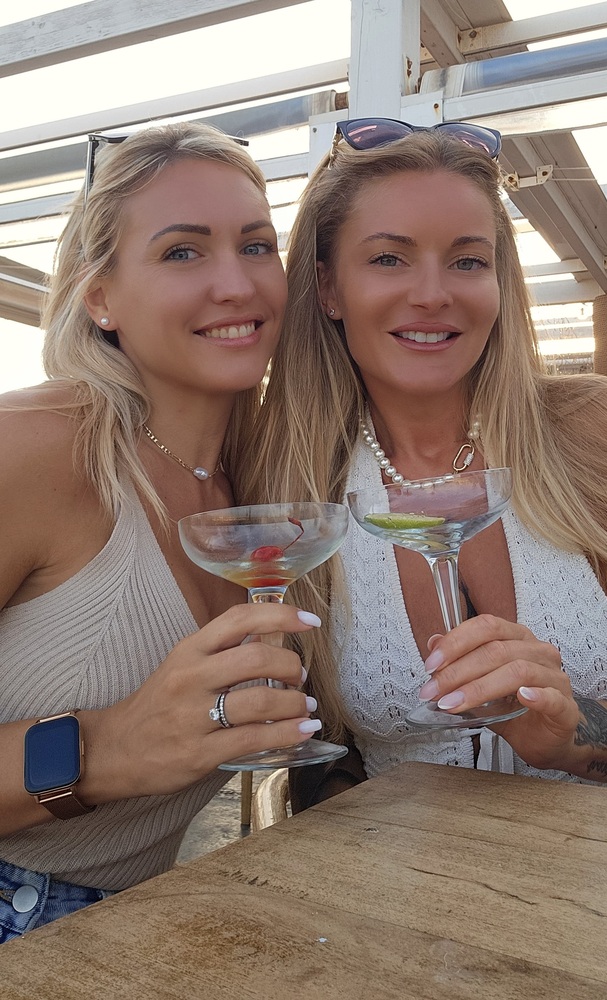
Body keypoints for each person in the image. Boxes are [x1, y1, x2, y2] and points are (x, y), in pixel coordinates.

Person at [239, 118, 607, 807]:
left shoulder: (594, 430)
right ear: (328, 288)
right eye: (388, 259)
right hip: (396, 870)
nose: (432, 294)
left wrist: (579, 732)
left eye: (467, 261)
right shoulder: (298, 480)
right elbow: (326, 750)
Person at [0, 121, 324, 940]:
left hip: (133, 922)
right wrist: (108, 747)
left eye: (256, 246)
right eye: (182, 251)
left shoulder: (264, 483)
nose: (236, 284)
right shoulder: (32, 448)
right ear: (100, 298)